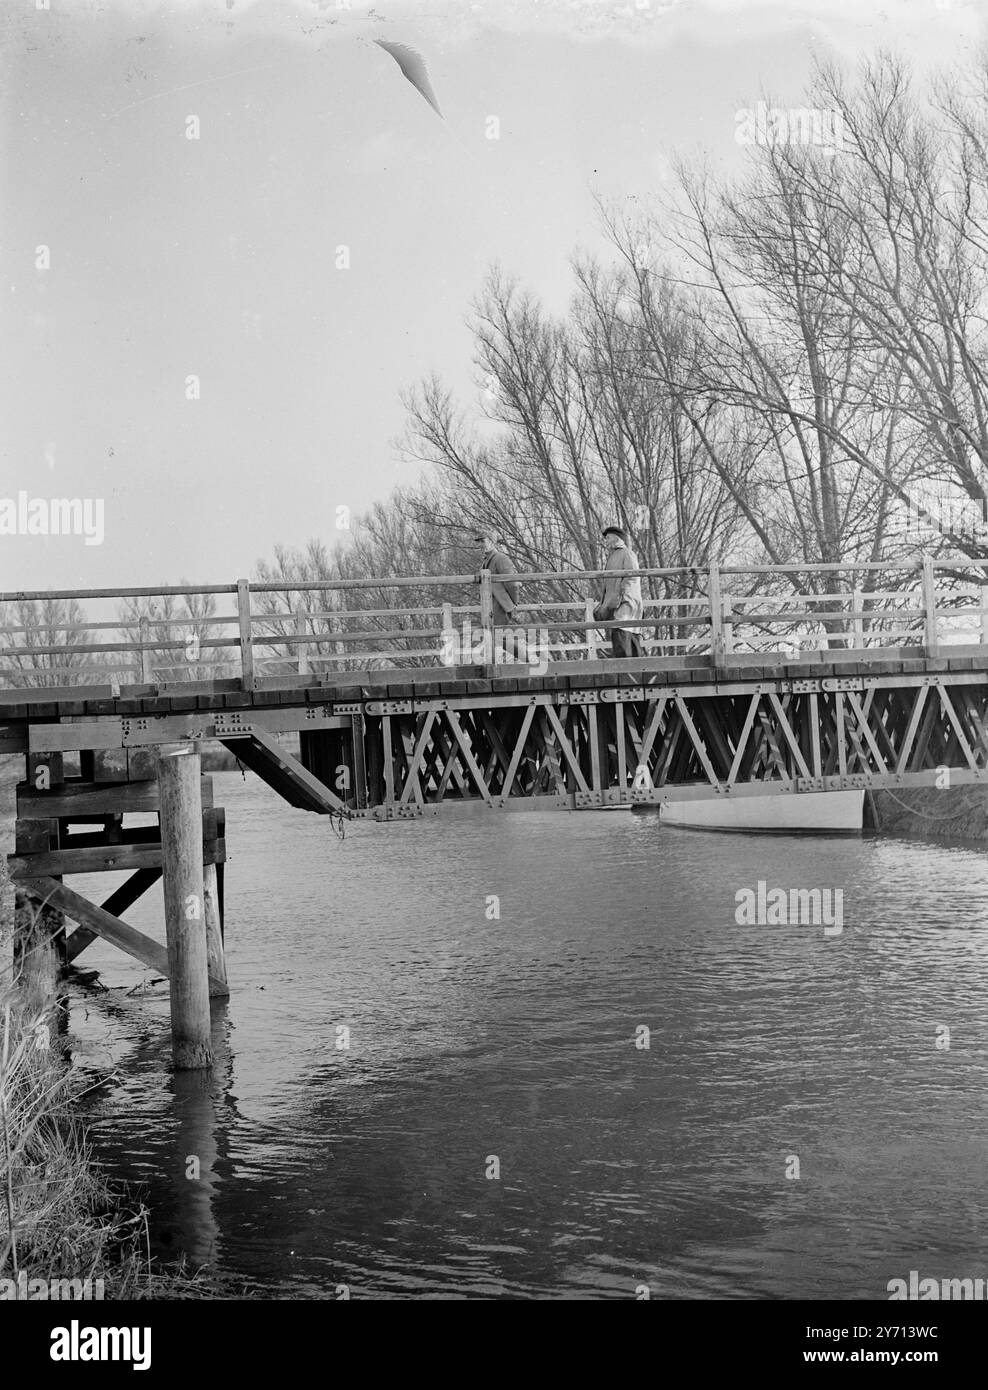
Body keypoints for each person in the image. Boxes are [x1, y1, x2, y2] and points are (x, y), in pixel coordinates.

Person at [473, 528, 529, 662]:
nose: (480, 544)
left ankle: (529, 660)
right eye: (479, 542)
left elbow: (512, 583)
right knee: (494, 636)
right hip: (492, 606)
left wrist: (513, 604)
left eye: (483, 541)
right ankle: (525, 660)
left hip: (501, 605)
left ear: (492, 542)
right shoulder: (487, 560)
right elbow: (478, 577)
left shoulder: (500, 558)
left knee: (498, 637)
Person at [593, 525, 644, 658]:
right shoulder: (613, 556)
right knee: (622, 637)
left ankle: (628, 673)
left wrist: (620, 596)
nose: (606, 541)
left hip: (626, 602)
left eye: (608, 538)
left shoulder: (627, 554)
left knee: (623, 636)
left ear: (616, 539)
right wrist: (604, 604)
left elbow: (632, 577)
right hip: (617, 603)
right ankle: (631, 672)